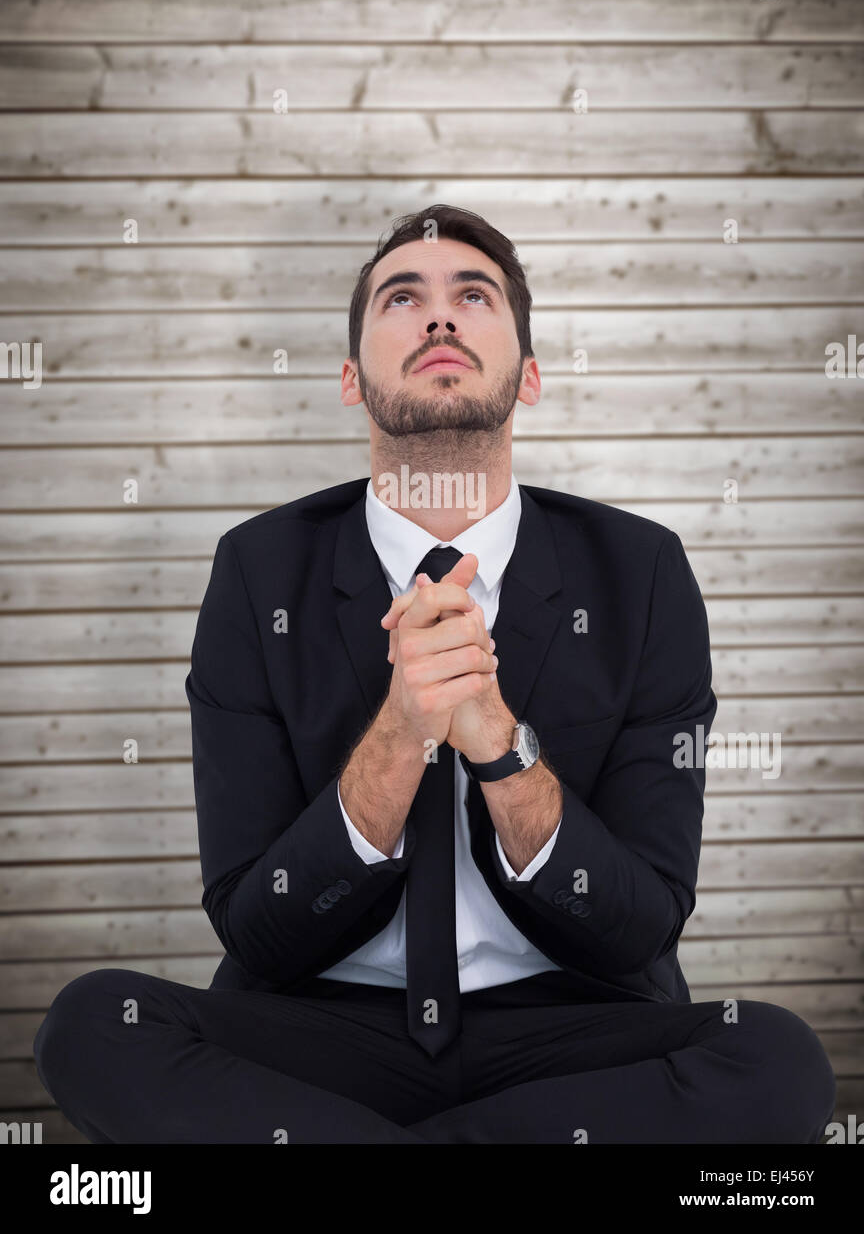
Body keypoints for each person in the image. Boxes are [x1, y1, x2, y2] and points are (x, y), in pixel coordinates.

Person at [33, 205, 835, 1144]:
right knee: (94, 1025)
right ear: (349, 380)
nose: (439, 317)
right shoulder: (258, 571)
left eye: (474, 296)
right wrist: (402, 732)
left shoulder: (642, 572)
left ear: (530, 376)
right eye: (402, 298)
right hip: (323, 1028)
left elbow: (641, 928)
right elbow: (258, 930)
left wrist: (500, 752)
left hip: (571, 1029)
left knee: (774, 1061)